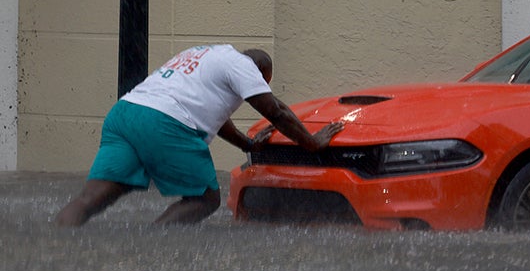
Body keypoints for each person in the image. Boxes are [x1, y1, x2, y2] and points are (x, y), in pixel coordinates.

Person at [54, 45, 343, 227]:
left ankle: (57, 241)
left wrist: (248, 144)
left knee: (94, 197)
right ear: (261, 73)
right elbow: (276, 111)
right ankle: (151, 249)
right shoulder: (244, 67)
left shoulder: (201, 54)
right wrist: (312, 142)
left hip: (125, 113)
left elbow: (219, 120)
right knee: (205, 198)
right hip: (164, 121)